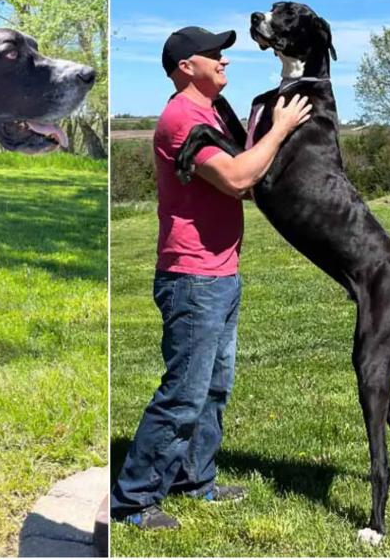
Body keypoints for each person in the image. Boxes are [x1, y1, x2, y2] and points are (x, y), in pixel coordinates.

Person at [110, 26, 312, 529]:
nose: (225, 61)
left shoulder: (212, 113)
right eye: (214, 55)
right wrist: (280, 128)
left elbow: (242, 180)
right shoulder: (181, 117)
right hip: (192, 276)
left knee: (214, 387)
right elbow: (240, 177)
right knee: (183, 391)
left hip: (221, 271)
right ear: (186, 66)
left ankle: (194, 478)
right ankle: (134, 499)